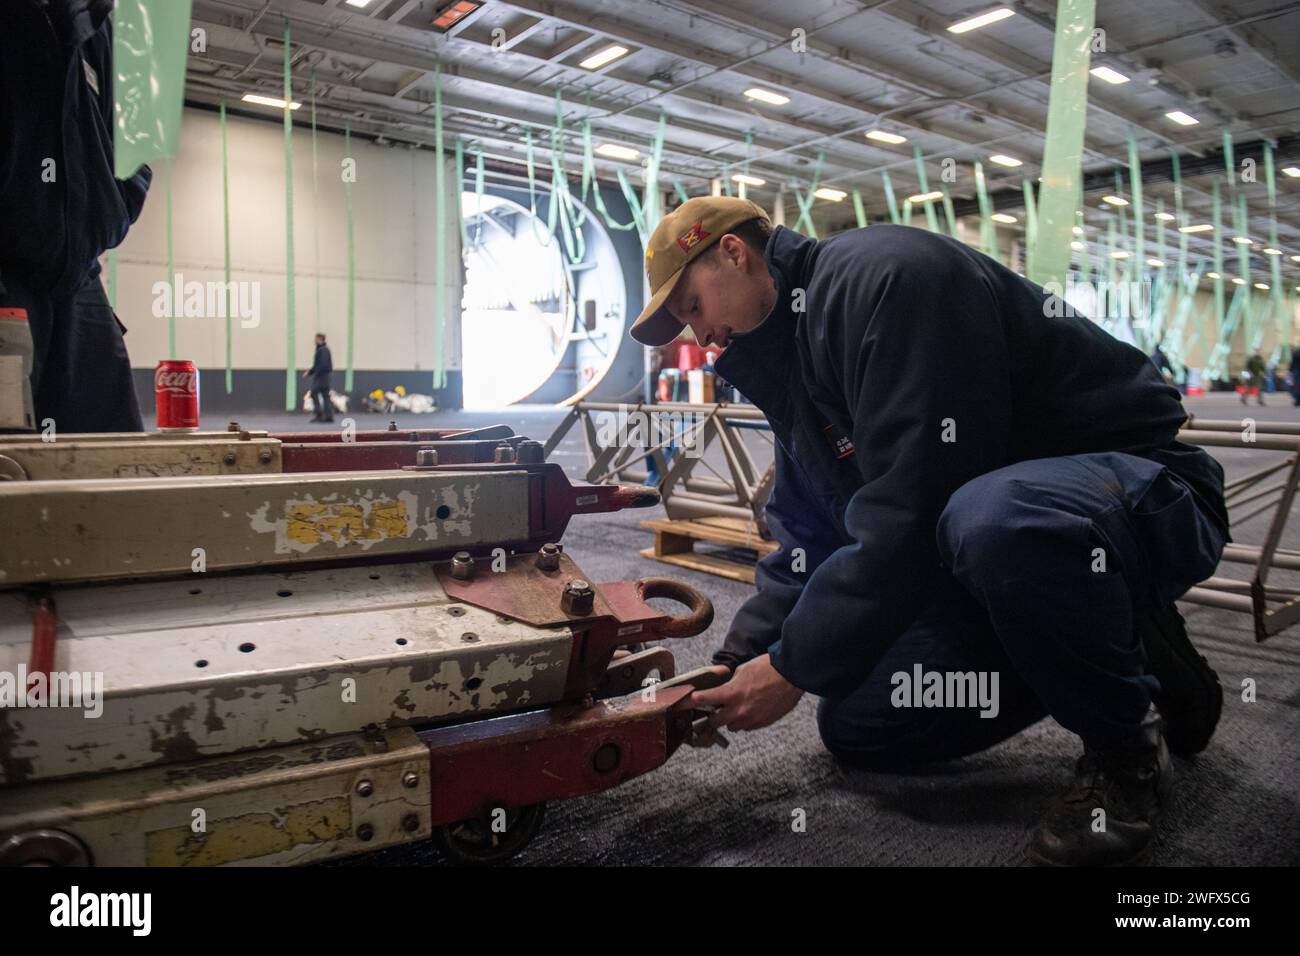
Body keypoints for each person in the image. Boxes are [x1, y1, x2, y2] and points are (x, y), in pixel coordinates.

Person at [629, 197, 1229, 867]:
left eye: (691, 306)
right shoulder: (790, 363)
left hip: (1137, 494)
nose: (697, 335)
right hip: (995, 546)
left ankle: (1124, 749)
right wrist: (742, 658)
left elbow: (915, 506)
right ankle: (1121, 648)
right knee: (863, 719)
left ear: (734, 255)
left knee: (995, 518)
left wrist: (794, 667)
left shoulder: (891, 280)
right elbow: (809, 537)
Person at [1, 0, 152, 433]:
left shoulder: (99, 25)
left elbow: (134, 141)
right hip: (7, 279)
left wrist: (113, 209)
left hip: (79, 285)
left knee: (113, 466)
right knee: (10, 469)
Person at [303, 333, 334, 422]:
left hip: (322, 376)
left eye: (316, 339)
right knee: (325, 395)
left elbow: (320, 365)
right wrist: (309, 372)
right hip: (326, 375)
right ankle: (329, 415)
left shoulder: (322, 350)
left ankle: (319, 414)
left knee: (313, 392)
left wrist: (314, 373)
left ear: (320, 339)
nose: (314, 340)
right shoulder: (324, 350)